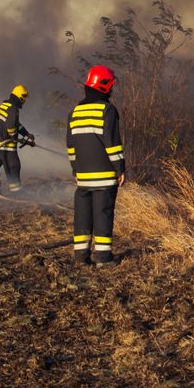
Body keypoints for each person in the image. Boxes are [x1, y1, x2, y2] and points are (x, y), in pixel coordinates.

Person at [66, 65, 125, 266]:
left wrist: (75, 169)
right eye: (110, 86)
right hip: (105, 175)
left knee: (82, 215)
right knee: (103, 213)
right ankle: (103, 257)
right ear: (104, 85)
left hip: (82, 176)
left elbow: (71, 146)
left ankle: (81, 257)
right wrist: (120, 168)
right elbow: (112, 143)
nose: (112, 90)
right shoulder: (107, 110)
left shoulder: (74, 111)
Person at [0, 84, 35, 193]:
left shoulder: (6, 105)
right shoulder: (13, 108)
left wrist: (26, 134)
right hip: (5, 146)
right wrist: (16, 138)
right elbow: (11, 126)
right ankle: (16, 191)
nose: (24, 100)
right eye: (24, 97)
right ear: (20, 96)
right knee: (14, 167)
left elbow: (16, 124)